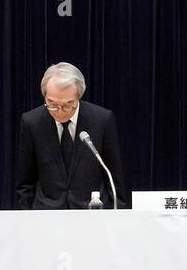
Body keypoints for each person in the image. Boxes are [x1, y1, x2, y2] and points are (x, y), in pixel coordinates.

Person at [15, 62, 126, 209]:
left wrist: (119, 217)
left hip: (92, 212)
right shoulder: (32, 122)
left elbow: (113, 176)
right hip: (46, 215)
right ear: (45, 95)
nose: (59, 111)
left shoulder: (102, 120)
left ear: (78, 96)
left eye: (68, 105)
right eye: (52, 103)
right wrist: (26, 220)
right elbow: (25, 183)